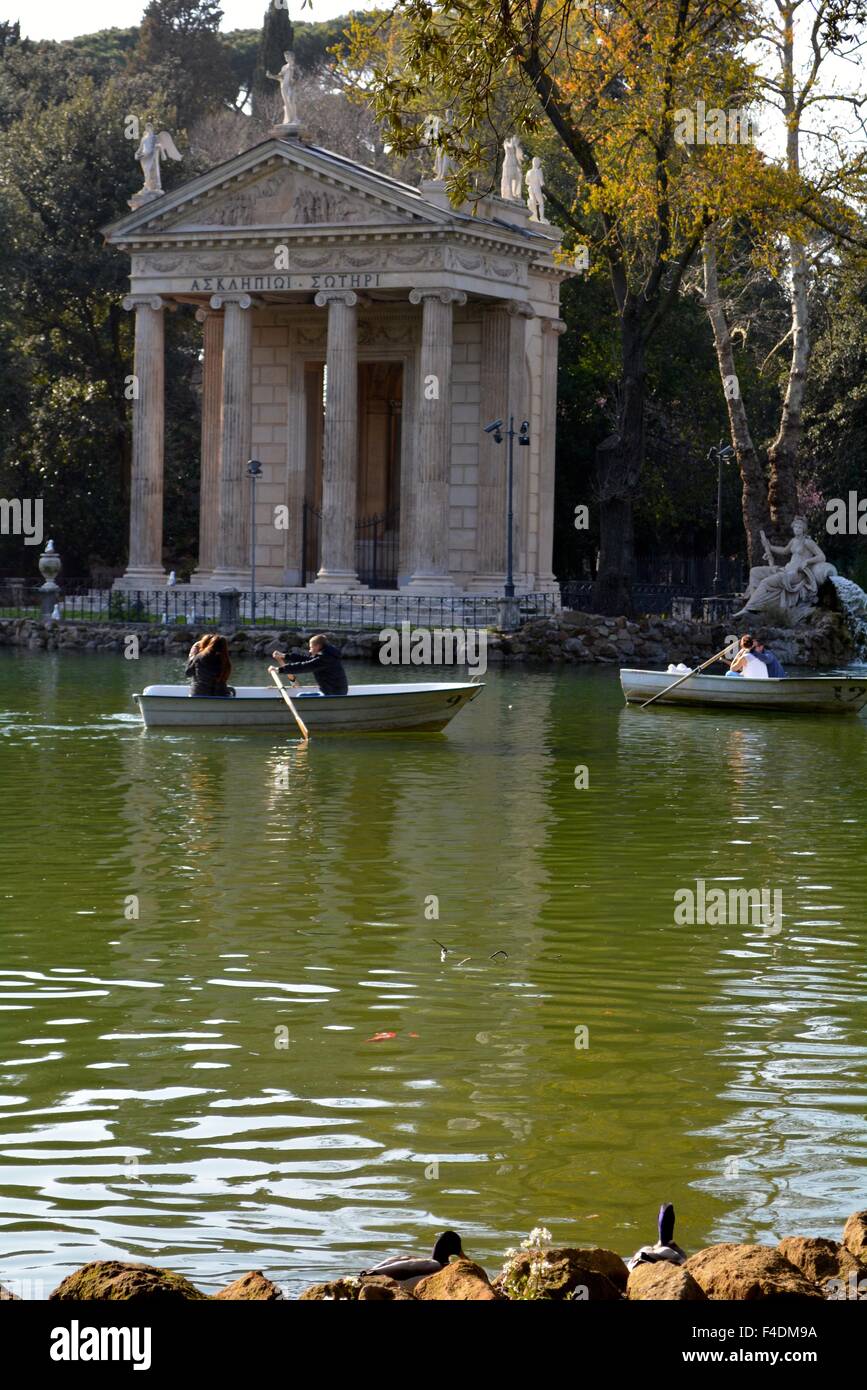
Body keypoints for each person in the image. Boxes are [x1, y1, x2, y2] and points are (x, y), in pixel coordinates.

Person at [269, 634, 348, 696]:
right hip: (333, 692)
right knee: (301, 695)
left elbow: (304, 666)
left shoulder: (325, 658)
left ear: (317, 646)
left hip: (335, 694)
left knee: (300, 696)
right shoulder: (326, 655)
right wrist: (285, 656)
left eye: (311, 648)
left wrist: (279, 670)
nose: (310, 651)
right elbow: (306, 660)